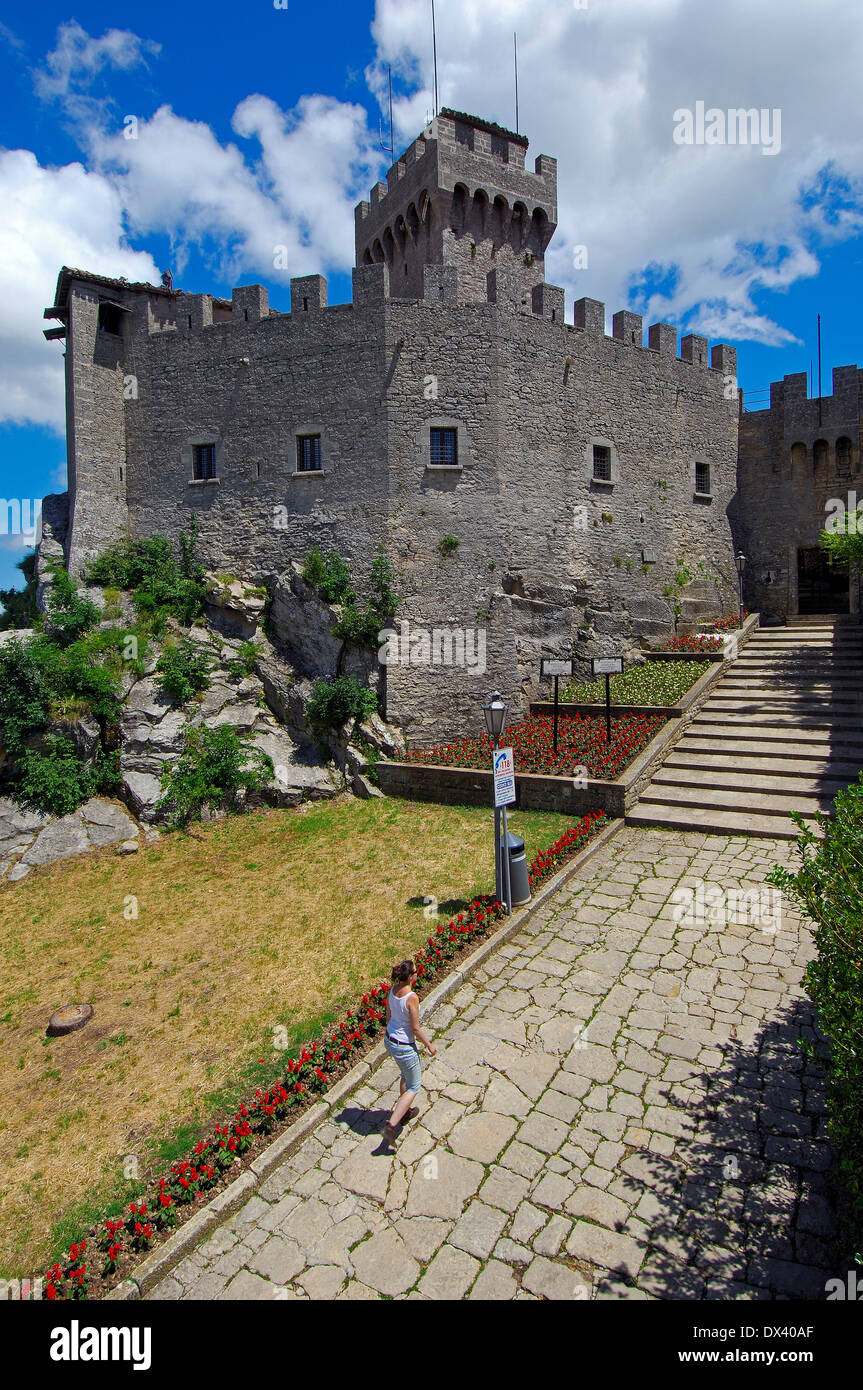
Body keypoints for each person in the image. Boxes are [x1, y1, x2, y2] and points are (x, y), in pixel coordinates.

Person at [382, 959, 436, 1146]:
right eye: (415, 971)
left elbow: (388, 1014)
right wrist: (429, 1045)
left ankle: (405, 1112)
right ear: (411, 976)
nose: (417, 973)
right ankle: (392, 1125)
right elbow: (415, 1028)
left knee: (405, 1074)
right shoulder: (412, 997)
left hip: (390, 1040)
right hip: (404, 1046)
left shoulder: (393, 990)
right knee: (413, 1086)